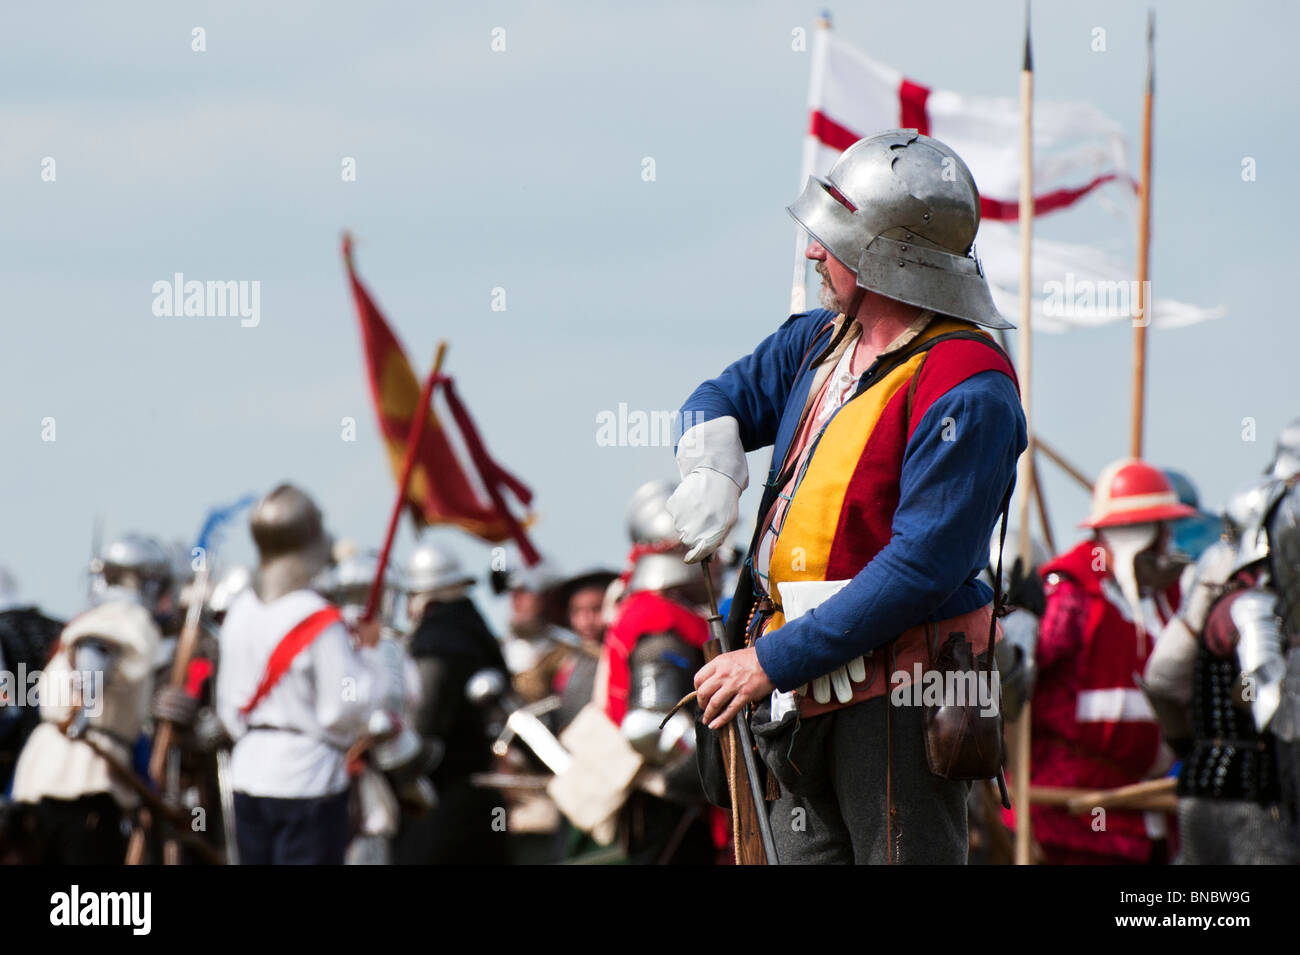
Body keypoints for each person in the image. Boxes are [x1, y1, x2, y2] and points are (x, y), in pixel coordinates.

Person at [670, 130, 1026, 864]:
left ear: (885, 254)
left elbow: (918, 570)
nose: (812, 253)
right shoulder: (821, 338)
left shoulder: (971, 387)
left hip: (901, 700)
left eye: (832, 240)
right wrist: (711, 462)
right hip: (802, 693)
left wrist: (770, 662)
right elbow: (719, 395)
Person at [1032, 459, 1192, 865]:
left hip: (1148, 808)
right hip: (1075, 813)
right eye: (1161, 529)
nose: (1169, 541)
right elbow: (1018, 679)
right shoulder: (1070, 595)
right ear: (1136, 532)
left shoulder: (1166, 599)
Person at [216, 484, 384, 865]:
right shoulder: (319, 618)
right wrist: (371, 658)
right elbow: (341, 708)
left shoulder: (240, 612)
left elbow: (229, 707)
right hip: (309, 776)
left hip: (249, 771)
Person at [593, 480, 717, 864]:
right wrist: (717, 762)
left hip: (676, 795)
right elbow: (648, 722)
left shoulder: (659, 610)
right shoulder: (659, 619)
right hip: (672, 796)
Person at [8, 600, 160, 864]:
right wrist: (83, 708)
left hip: (56, 777)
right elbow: (95, 649)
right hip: (82, 780)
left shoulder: (91, 626)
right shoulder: (118, 624)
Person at [392, 539, 510, 865]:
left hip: (443, 795)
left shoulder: (436, 642)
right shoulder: (475, 629)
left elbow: (421, 728)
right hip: (482, 789)